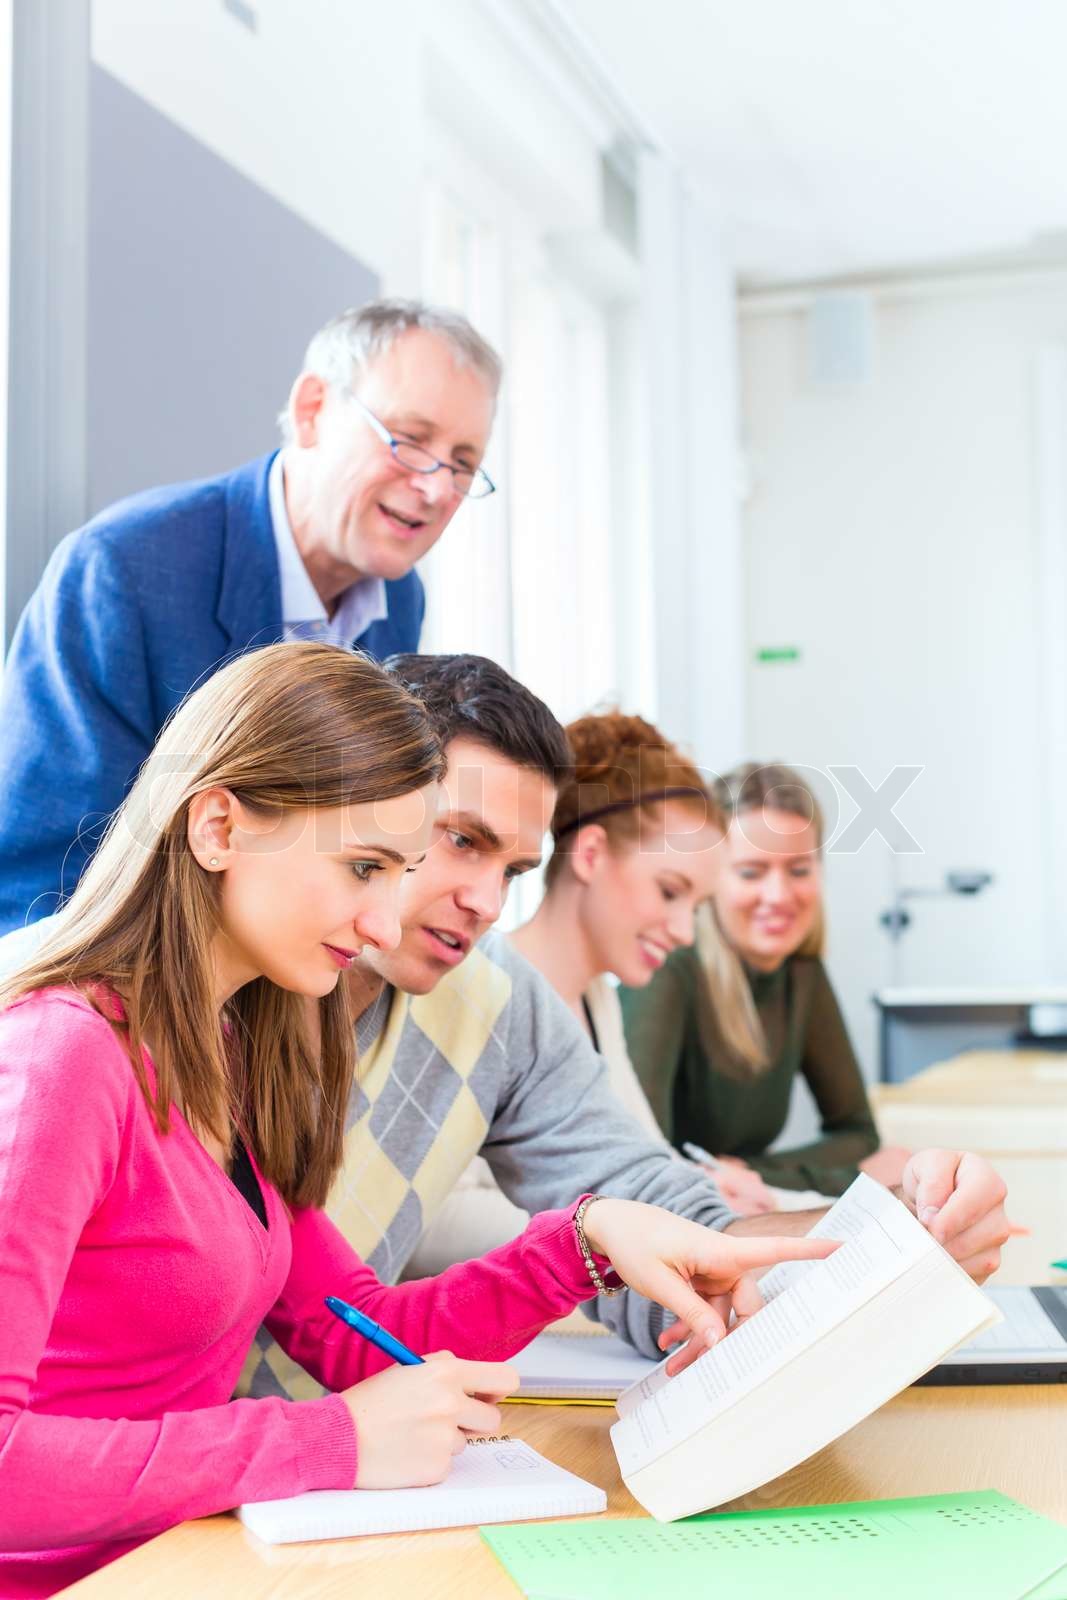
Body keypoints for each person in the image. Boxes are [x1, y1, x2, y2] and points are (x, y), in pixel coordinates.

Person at [0, 640, 841, 1598]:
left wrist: (584, 1244)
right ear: (218, 827)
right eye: (363, 866)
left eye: (396, 870)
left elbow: (358, 1330)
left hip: (201, 1562)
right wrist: (332, 1438)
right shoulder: (61, 1057)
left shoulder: (235, 1057)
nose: (382, 921)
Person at [228, 655, 1009, 1402]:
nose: (487, 903)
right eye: (460, 840)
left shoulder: (502, 1002)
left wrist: (890, 1236)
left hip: (316, 1477)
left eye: (511, 871)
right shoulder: (200, 1011)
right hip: (196, 1489)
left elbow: (666, 1217)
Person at [0, 298, 502, 935]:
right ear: (312, 410)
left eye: (462, 464)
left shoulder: (402, 601)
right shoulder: (123, 568)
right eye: (408, 441)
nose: (435, 489)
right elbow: (34, 877)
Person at [621, 762, 908, 1199]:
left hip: (734, 1212)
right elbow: (639, 1165)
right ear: (710, 876)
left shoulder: (801, 968)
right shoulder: (669, 967)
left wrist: (756, 1175)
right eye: (751, 872)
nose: (778, 896)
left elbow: (857, 1134)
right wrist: (847, 1176)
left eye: (798, 870)